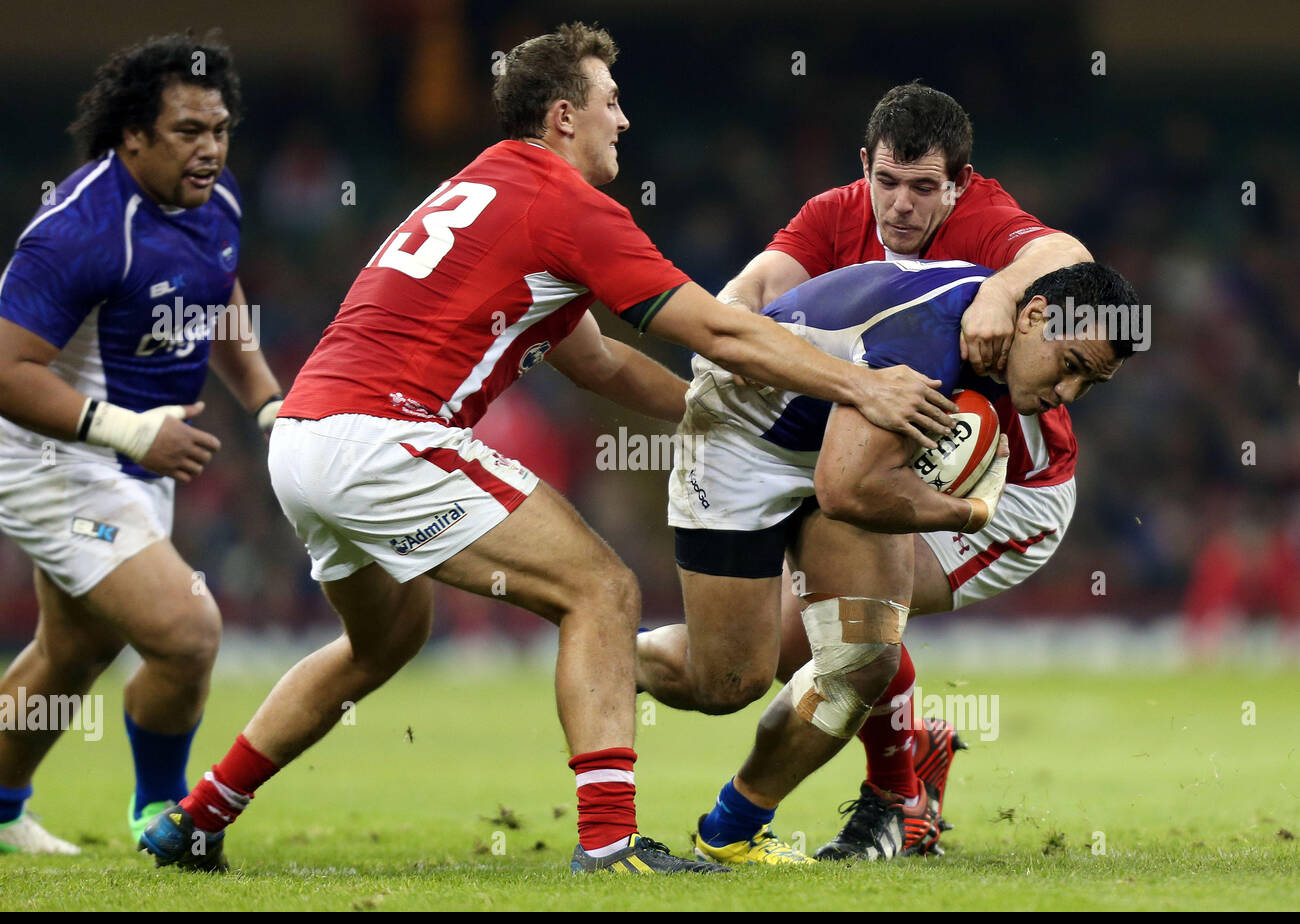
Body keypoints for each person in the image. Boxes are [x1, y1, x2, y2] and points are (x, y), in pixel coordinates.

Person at [139, 22, 952, 876]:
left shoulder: (487, 188)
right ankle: (607, 841)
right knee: (600, 588)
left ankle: (198, 816)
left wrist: (714, 420)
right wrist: (860, 387)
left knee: (381, 642)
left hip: (306, 441)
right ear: (565, 116)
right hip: (386, 436)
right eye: (611, 102)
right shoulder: (566, 205)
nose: (624, 121)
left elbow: (597, 361)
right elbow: (715, 327)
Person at [639, 82, 1097, 858]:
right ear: (865, 167)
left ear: (959, 181)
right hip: (870, 463)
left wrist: (1002, 286)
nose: (903, 206)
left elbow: (1069, 257)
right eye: (888, 181)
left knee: (847, 634)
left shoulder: (984, 219)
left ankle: (894, 796)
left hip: (1008, 487)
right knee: (780, 654)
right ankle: (908, 759)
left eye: (925, 188)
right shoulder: (836, 213)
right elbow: (753, 286)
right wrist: (727, 333)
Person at [0, 34, 284, 856]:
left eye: (220, 128)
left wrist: (267, 402)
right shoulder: (79, 229)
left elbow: (218, 296)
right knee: (186, 629)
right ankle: (163, 813)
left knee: (73, 651)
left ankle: (0, 807)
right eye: (188, 130)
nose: (211, 149)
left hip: (132, 452)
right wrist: (129, 430)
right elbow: (9, 371)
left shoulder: (215, 201)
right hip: (50, 454)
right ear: (132, 135)